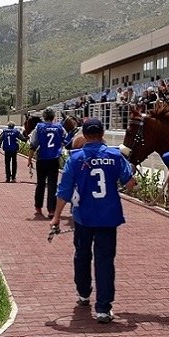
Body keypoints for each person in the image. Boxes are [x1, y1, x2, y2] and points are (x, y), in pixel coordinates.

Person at [50, 118, 136, 324]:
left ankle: (83, 293)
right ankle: (104, 308)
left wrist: (55, 217)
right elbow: (130, 183)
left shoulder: (76, 158)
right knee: (105, 261)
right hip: (108, 216)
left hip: (83, 217)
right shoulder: (115, 156)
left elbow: (64, 191)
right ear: (103, 133)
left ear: (84, 136)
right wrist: (132, 178)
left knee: (82, 255)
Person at [29, 108, 67, 219]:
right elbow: (65, 140)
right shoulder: (59, 127)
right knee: (52, 185)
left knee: (40, 183)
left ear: (44, 116)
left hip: (42, 159)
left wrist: (30, 158)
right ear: (53, 116)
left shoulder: (39, 128)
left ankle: (38, 206)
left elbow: (34, 144)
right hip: (54, 159)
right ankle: (51, 209)